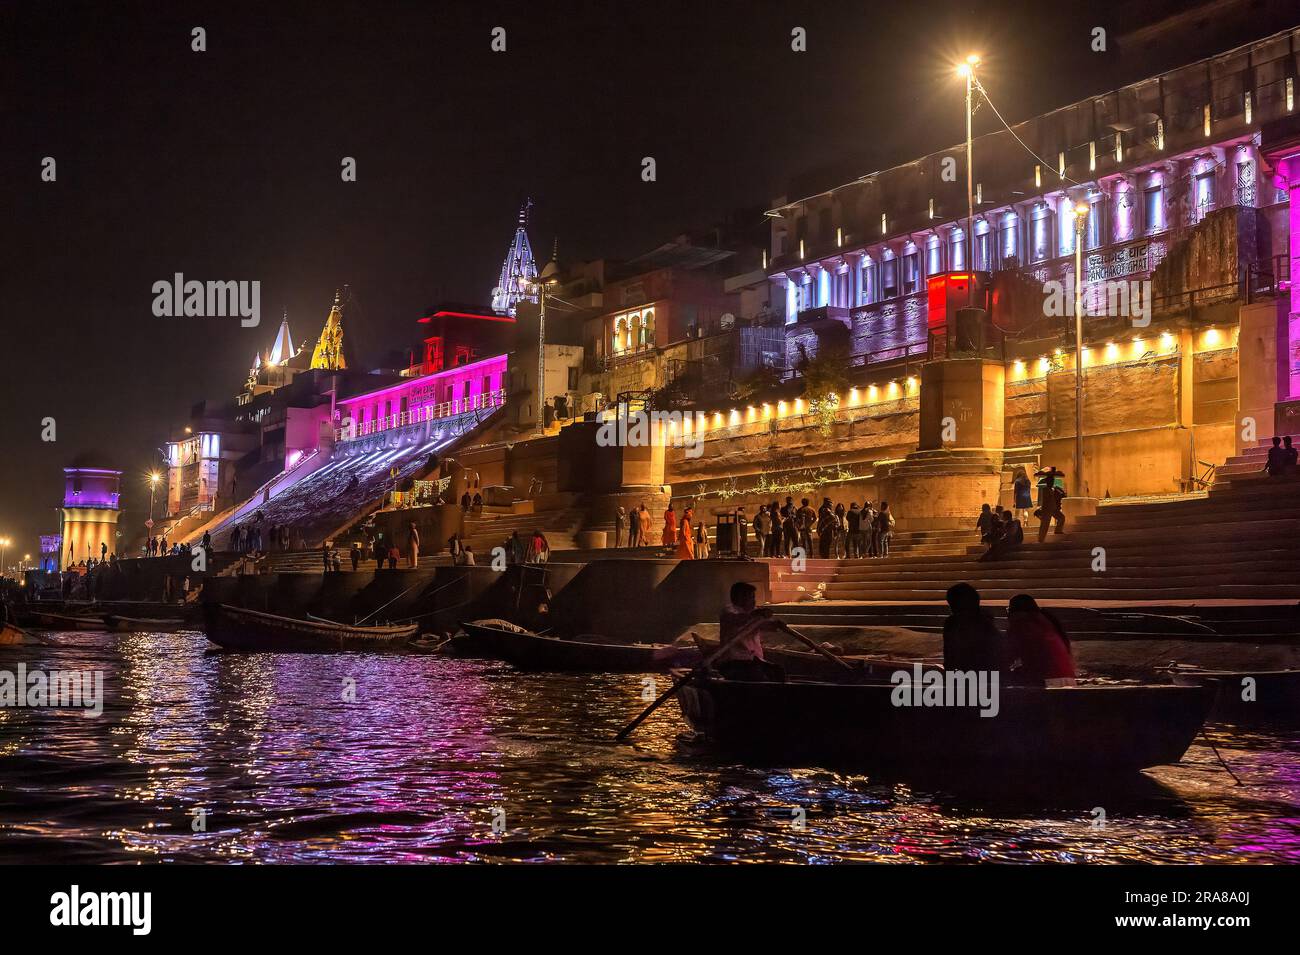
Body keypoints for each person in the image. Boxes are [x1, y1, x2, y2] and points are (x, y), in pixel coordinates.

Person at [714, 581, 786, 682]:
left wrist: (777, 624)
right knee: (757, 676)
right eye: (751, 597)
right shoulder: (729, 611)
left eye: (753, 597)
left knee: (778, 671)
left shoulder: (753, 613)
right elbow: (738, 620)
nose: (754, 601)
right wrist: (755, 615)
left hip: (753, 660)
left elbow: (765, 625)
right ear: (739, 598)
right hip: (734, 662)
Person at [1006, 594, 1076, 686]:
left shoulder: (1021, 624)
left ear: (1013, 611)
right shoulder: (1046, 622)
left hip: (1046, 680)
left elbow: (1007, 655)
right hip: (1068, 678)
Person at [942, 582, 1007, 675]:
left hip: (970, 671)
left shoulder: (953, 623)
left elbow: (949, 652)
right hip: (989, 671)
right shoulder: (985, 621)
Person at [1035, 466, 1067, 542]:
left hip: (1053, 508)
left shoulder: (1053, 489)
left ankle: (1058, 530)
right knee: (1045, 525)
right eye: (1050, 481)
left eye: (1052, 481)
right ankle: (1041, 539)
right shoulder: (1046, 490)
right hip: (1047, 509)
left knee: (1061, 518)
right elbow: (1046, 501)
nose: (1051, 482)